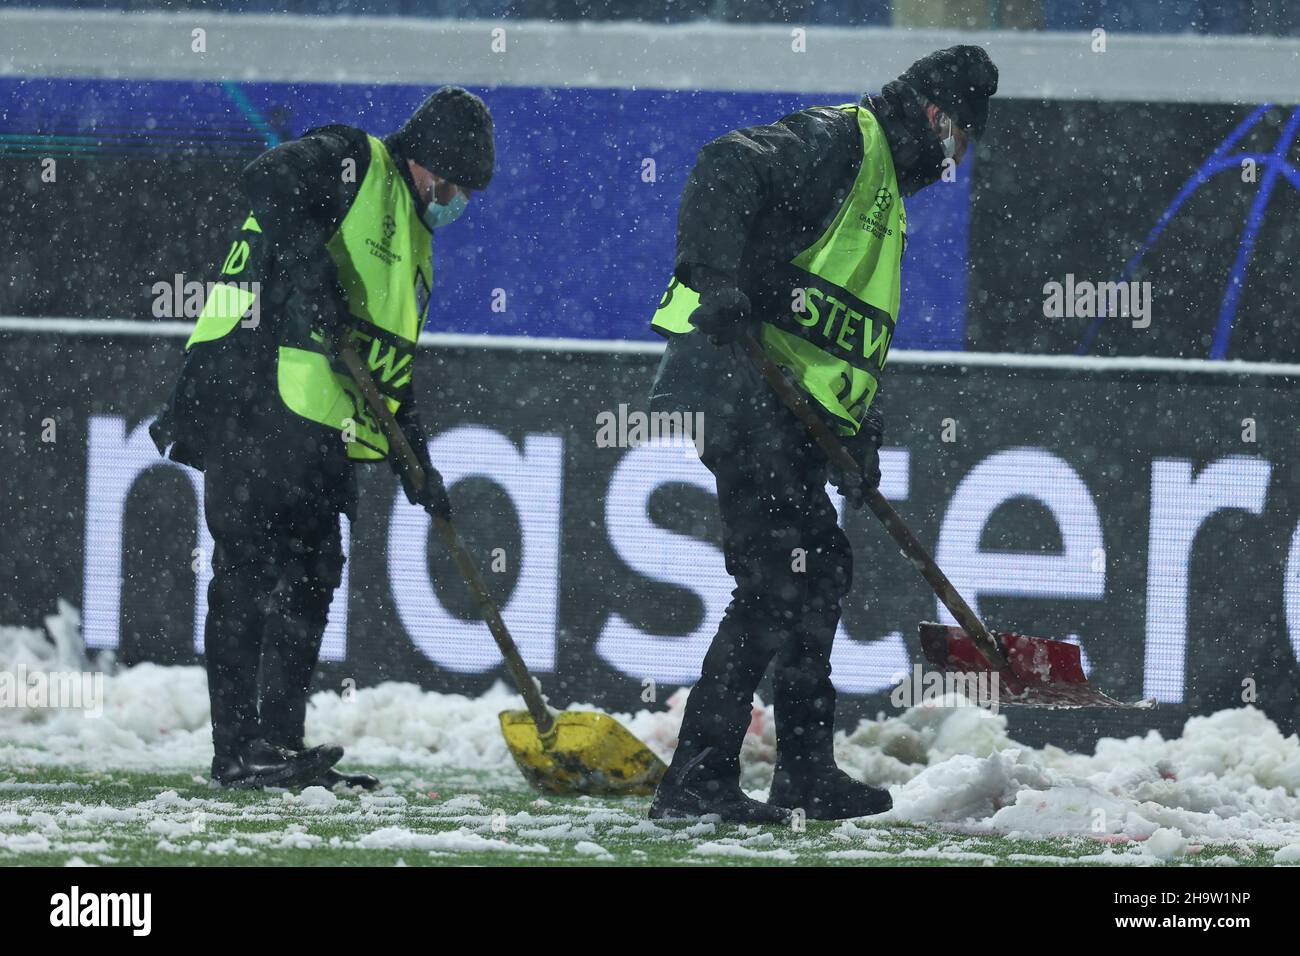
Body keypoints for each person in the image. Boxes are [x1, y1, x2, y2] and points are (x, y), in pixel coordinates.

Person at [646, 47, 998, 822]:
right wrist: (720, 281)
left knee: (819, 569)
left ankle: (804, 772)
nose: (958, 160)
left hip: (788, 407)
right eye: (963, 139)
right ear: (938, 118)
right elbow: (722, 166)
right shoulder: (843, 140)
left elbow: (840, 343)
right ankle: (697, 781)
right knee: (776, 577)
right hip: (736, 379)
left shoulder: (885, 202)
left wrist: (859, 441)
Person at [149, 87, 494, 790]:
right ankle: (236, 752)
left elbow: (388, 372)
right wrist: (309, 266)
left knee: (313, 574)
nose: (456, 199)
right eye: (452, 183)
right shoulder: (352, 160)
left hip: (319, 426)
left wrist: (417, 463)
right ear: (424, 161)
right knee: (247, 572)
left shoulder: (416, 249)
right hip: (251, 391)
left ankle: (277, 746)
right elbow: (268, 175)